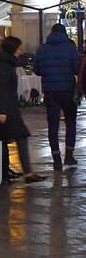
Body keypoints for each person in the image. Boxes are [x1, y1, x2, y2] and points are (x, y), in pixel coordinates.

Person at [0, 36, 40, 183]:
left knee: (4, 139)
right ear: (13, 50)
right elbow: (2, 88)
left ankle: (2, 172)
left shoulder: (5, 63)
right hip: (7, 109)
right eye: (19, 48)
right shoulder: (4, 66)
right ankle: (24, 173)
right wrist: (3, 111)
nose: (21, 51)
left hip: (8, 108)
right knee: (18, 137)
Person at [34, 22, 81, 171]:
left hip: (50, 92)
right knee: (70, 122)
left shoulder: (42, 49)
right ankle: (69, 155)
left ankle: (56, 160)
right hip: (67, 90)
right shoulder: (70, 48)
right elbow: (76, 68)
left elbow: (37, 70)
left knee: (52, 126)